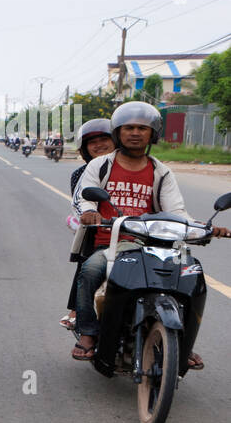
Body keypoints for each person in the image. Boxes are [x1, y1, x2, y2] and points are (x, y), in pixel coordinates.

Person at [70, 101, 230, 366]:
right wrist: (89, 212)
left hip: (155, 244)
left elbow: (177, 212)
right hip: (113, 243)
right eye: (129, 127)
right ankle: (88, 332)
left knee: (190, 280)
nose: (135, 133)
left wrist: (206, 228)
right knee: (89, 271)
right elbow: (83, 197)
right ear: (118, 132)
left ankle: (182, 343)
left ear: (152, 134)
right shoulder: (100, 165)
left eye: (142, 128)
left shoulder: (161, 171)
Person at [59, 119, 115, 330]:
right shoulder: (82, 173)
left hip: (136, 229)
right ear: (84, 148)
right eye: (93, 142)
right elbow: (80, 202)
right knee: (88, 264)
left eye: (104, 139)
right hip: (99, 229)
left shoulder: (149, 166)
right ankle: (80, 315)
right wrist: (90, 215)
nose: (99, 145)